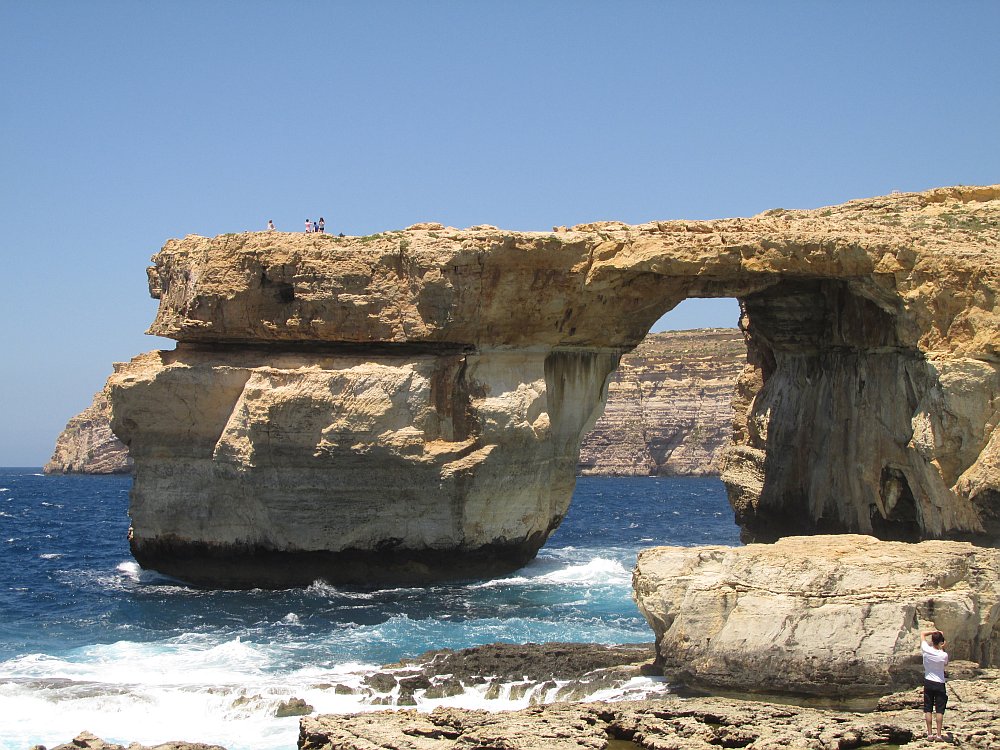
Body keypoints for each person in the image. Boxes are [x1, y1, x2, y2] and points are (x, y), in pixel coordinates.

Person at [921, 628, 949, 740]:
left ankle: (929, 734)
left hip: (928, 681)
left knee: (928, 709)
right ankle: (938, 735)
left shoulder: (926, 649)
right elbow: (945, 664)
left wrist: (934, 632)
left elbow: (923, 633)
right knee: (939, 710)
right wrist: (943, 647)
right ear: (941, 642)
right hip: (940, 683)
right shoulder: (943, 655)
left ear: (932, 640)